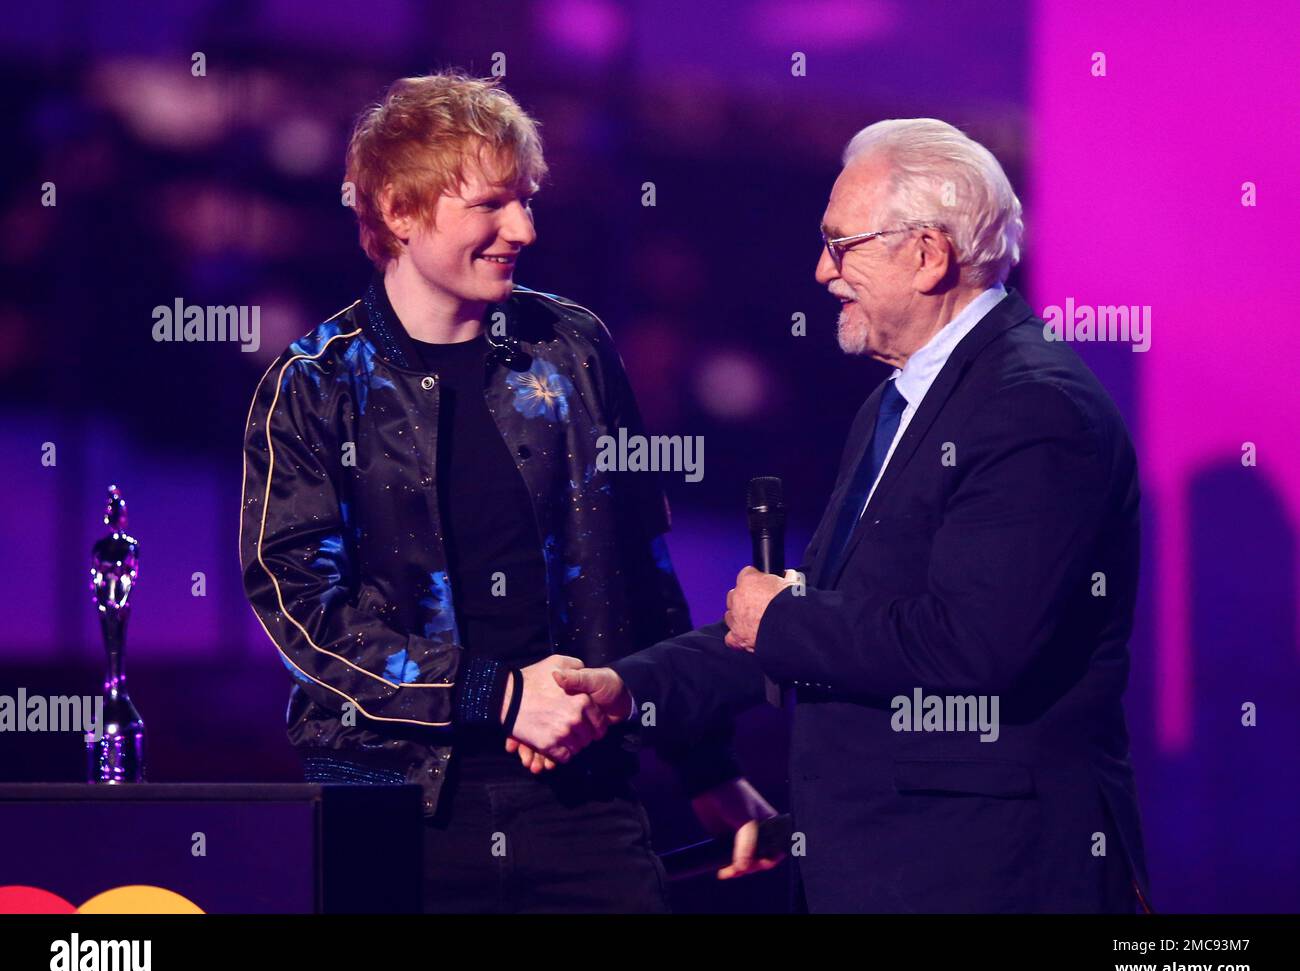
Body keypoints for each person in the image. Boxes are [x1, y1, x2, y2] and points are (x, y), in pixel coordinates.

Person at [553, 118, 1152, 913]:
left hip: (989, 878)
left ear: (929, 254)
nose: (821, 271)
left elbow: (973, 646)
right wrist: (622, 688)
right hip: (889, 869)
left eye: (841, 246)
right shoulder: (896, 401)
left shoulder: (1033, 408)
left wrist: (786, 618)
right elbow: (823, 613)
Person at [239, 73, 775, 913]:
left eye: (525, 200)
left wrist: (706, 765)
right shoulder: (313, 385)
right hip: (393, 801)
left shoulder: (574, 347)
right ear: (399, 211)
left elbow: (642, 572)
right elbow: (305, 610)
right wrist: (500, 695)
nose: (522, 228)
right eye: (491, 205)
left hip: (583, 797)